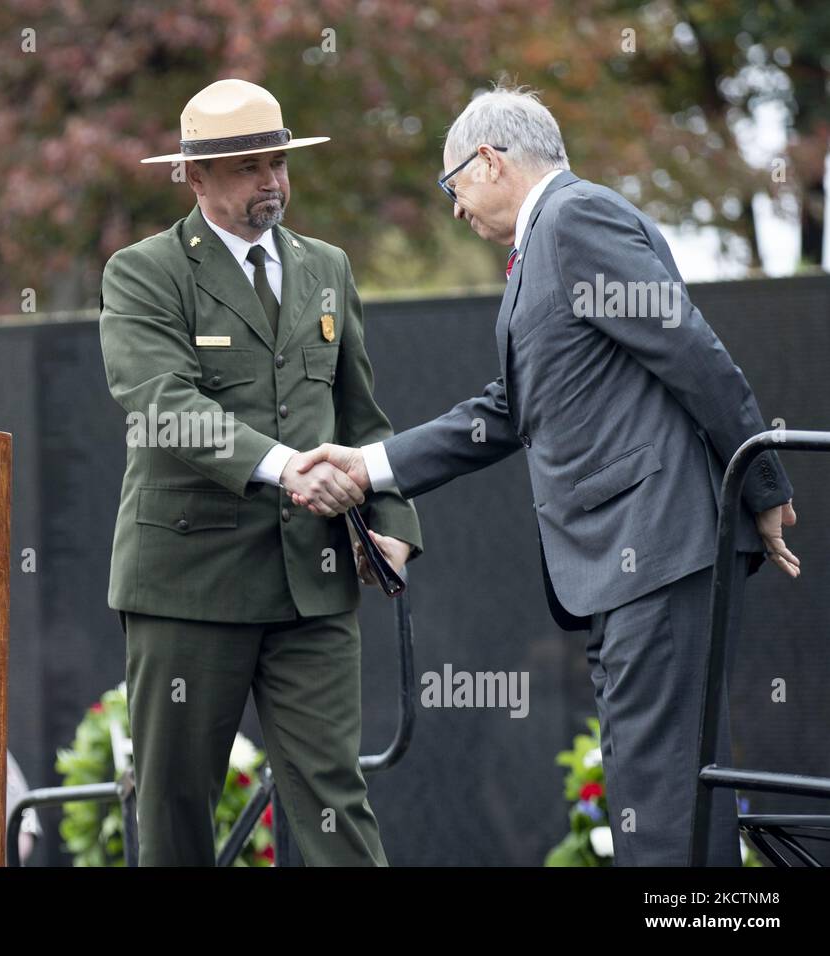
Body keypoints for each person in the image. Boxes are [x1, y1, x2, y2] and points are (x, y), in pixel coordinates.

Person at [292, 86, 799, 867]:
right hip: (633, 562)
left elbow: (692, 350)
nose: (455, 208)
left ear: (489, 161)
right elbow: (505, 411)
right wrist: (370, 466)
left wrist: (760, 485)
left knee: (659, 800)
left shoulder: (573, 220)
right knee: (656, 789)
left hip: (654, 552)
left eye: (452, 183)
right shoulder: (552, 240)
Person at [99, 78, 421, 865]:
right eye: (247, 168)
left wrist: (394, 526)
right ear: (195, 178)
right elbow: (161, 405)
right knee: (176, 806)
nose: (271, 181)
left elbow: (361, 417)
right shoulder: (144, 272)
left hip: (311, 584)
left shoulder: (328, 268)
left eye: (277, 162)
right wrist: (286, 472)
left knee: (333, 799)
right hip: (188, 585)